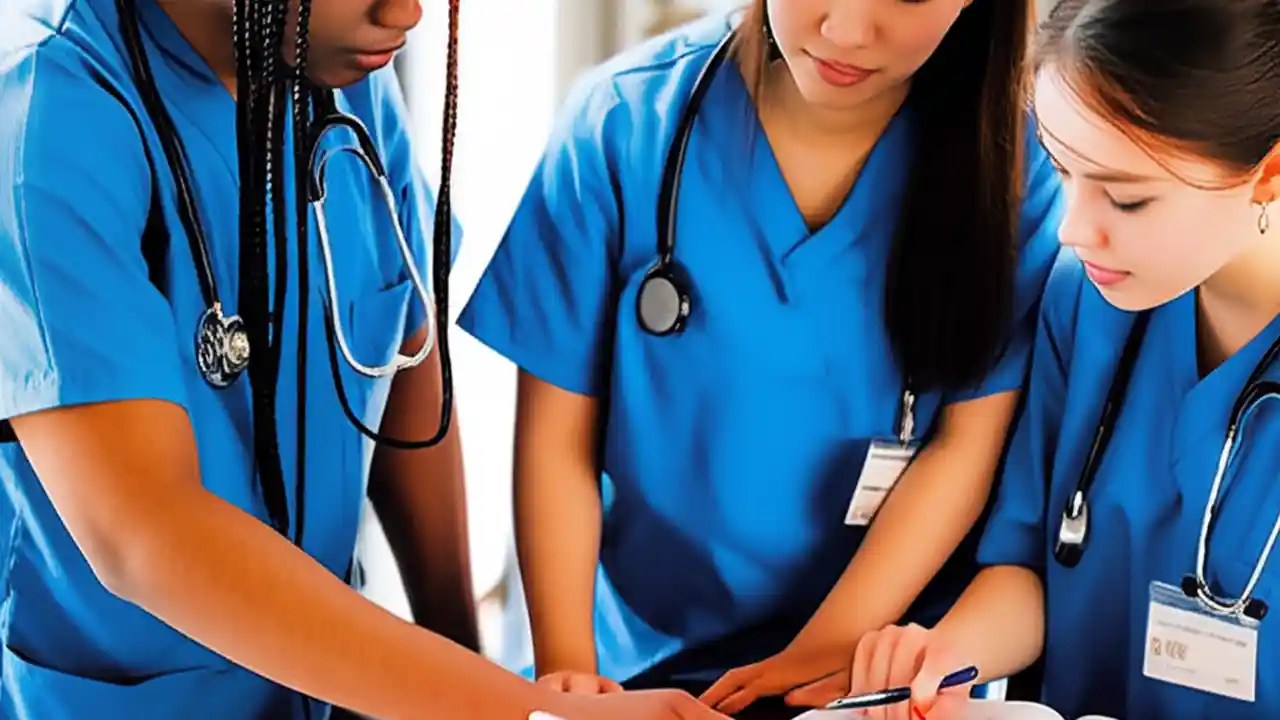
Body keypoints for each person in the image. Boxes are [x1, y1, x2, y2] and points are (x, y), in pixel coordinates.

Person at [0, 0, 729, 718]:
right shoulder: (49, 112)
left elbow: (406, 352)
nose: (406, 13)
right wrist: (518, 713)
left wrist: (464, 654)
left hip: (324, 695)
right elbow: (146, 531)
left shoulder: (335, 76)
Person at [457, 0, 1063, 713]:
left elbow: (966, 447)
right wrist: (571, 678)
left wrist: (823, 657)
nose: (844, 31)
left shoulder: (1022, 166)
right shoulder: (623, 122)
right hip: (627, 660)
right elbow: (558, 440)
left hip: (870, 676)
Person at [840, 1, 1280, 718]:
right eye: (1062, 169)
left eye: (1126, 199)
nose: (1074, 230)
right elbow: (1030, 569)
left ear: (1268, 173)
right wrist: (947, 656)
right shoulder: (1085, 302)